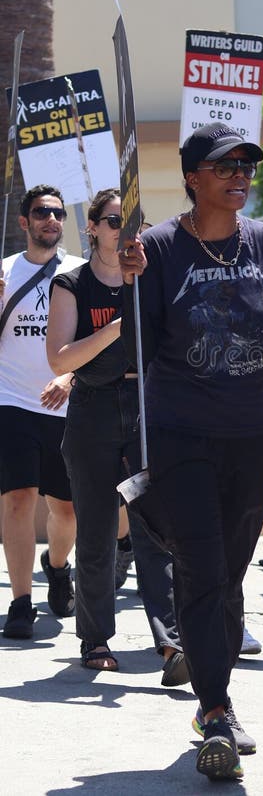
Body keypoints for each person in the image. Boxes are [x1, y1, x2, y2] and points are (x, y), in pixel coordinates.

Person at [118, 122, 263, 781]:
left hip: (249, 435)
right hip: (179, 432)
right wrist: (119, 278)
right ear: (192, 177)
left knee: (230, 570)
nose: (240, 175)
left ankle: (207, 676)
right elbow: (135, 347)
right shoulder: (154, 248)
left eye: (247, 166)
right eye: (225, 166)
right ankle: (215, 709)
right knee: (205, 565)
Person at [46, 189, 186, 685]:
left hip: (148, 408)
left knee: (155, 530)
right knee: (99, 530)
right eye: (114, 222)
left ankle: (170, 641)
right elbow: (60, 359)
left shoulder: (153, 280)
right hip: (95, 409)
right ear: (94, 230)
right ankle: (96, 638)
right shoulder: (72, 283)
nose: (127, 233)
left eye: (135, 224)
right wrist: (119, 327)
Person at [0, 185, 83, 639]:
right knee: (17, 498)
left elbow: (92, 342)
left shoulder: (78, 272)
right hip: (12, 400)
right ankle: (19, 601)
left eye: (57, 213)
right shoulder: (4, 273)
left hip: (66, 404)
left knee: (66, 509)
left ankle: (56, 565)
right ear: (24, 222)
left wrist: (68, 377)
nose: (51, 219)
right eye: (41, 212)